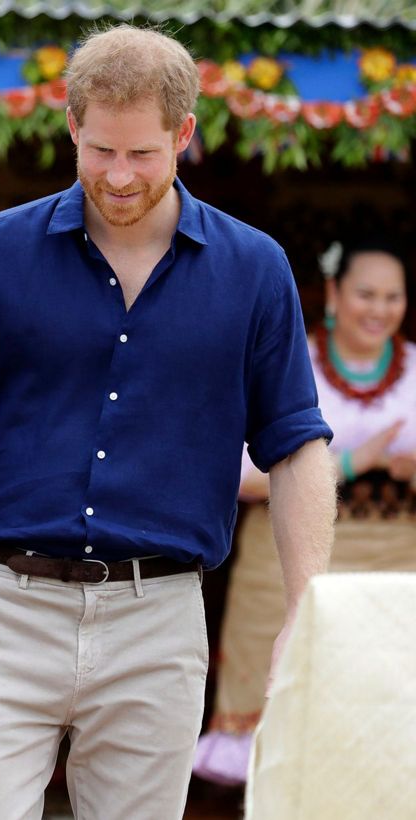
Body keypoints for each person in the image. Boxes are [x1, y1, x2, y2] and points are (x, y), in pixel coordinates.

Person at [0, 25, 338, 820]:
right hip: (5, 606)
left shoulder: (254, 269)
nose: (118, 177)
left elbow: (296, 449)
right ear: (71, 128)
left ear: (183, 134)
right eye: (99, 152)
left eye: (142, 155)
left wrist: (308, 613)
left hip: (157, 620)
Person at [195, 239, 416, 784]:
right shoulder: (289, 364)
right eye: (366, 293)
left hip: (393, 569)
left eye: (393, 297)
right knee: (284, 746)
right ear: (335, 295)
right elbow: (235, 473)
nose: (379, 309)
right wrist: (351, 460)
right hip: (285, 565)